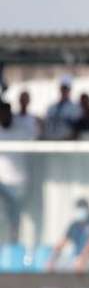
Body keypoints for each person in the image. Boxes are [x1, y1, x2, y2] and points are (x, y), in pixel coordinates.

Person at [48, 199, 89, 273]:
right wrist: (52, 259)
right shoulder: (75, 225)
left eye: (82, 208)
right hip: (77, 258)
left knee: (80, 264)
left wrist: (83, 258)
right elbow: (63, 242)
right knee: (58, 265)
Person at [0, 102, 32, 241]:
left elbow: (36, 137)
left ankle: (13, 245)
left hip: (19, 184)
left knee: (15, 219)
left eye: (6, 113)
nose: (4, 116)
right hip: (2, 183)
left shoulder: (21, 131)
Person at [43, 75, 82, 140]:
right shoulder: (52, 108)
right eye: (63, 88)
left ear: (69, 90)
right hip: (51, 141)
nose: (64, 91)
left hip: (67, 142)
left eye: (66, 88)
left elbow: (77, 129)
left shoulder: (76, 108)